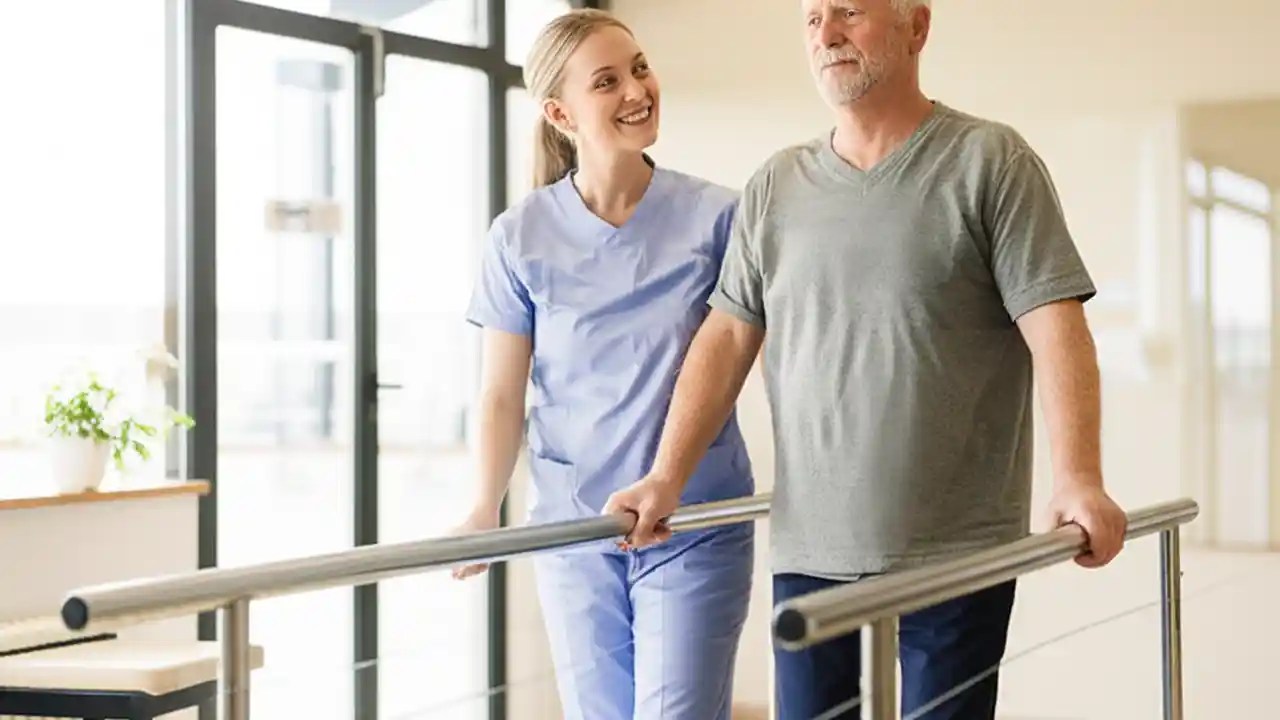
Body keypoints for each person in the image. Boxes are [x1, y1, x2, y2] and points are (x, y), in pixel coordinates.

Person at [603, 0, 1130, 718]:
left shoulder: (989, 161)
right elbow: (725, 338)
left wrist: (1079, 476)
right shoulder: (776, 186)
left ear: (917, 27)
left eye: (849, 11)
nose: (826, 33)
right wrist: (666, 477)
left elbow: (1056, 326)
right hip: (811, 547)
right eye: (812, 18)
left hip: (957, 548)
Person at [451, 9, 755, 720]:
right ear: (560, 112)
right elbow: (501, 393)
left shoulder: (719, 217)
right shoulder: (519, 235)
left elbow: (739, 354)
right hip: (572, 528)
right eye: (608, 81)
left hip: (693, 523)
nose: (637, 90)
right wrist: (481, 504)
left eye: (640, 68)